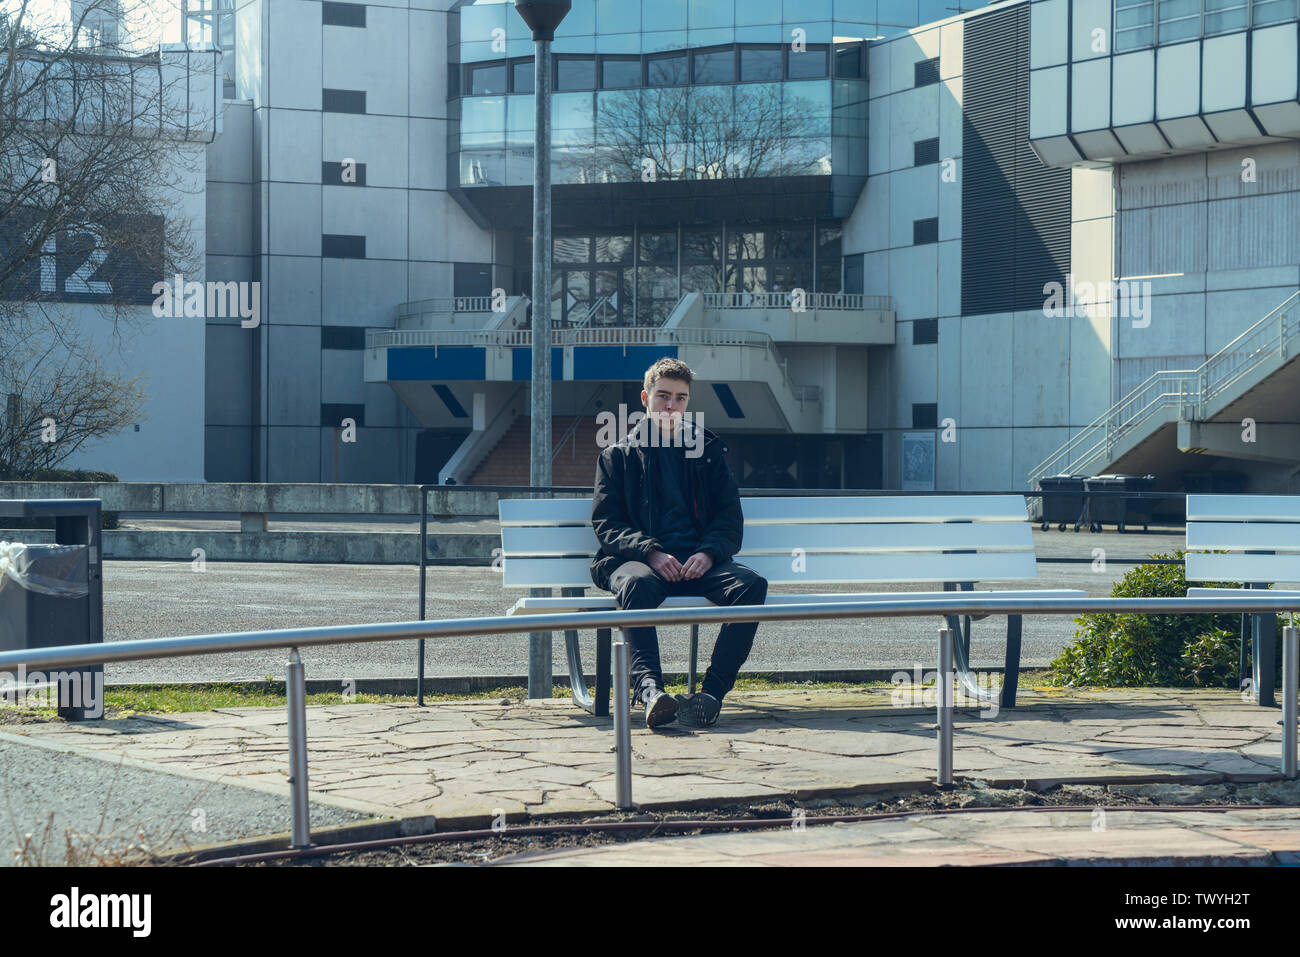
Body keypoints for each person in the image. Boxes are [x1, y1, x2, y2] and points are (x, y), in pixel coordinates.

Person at [589, 357, 768, 729]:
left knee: (751, 586)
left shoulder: (707, 453)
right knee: (635, 585)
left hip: (697, 564)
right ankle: (651, 693)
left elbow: (729, 519)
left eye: (681, 398)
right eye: (663, 396)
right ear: (645, 397)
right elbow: (607, 524)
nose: (671, 406)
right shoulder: (617, 457)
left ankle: (711, 694)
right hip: (640, 564)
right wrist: (651, 552)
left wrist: (708, 552)